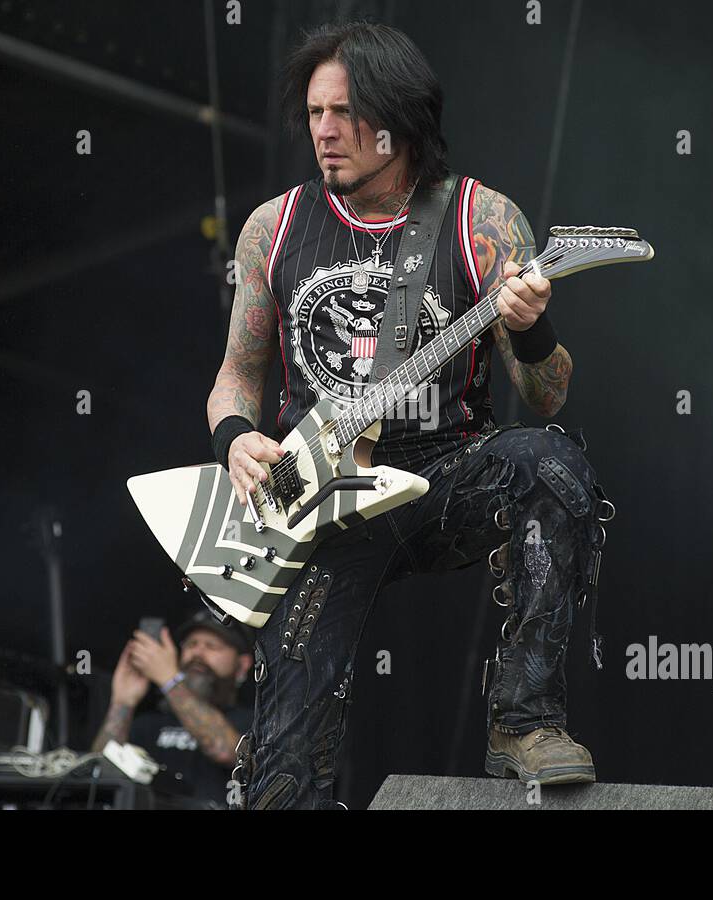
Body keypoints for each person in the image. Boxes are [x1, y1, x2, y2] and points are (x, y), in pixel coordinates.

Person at [205, 21, 612, 810]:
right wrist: (234, 439)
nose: (323, 131)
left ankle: (524, 720)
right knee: (282, 779)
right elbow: (234, 376)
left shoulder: (481, 222)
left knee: (552, 462)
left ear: (398, 120)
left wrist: (531, 327)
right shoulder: (273, 227)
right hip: (316, 504)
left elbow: (549, 396)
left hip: (444, 478)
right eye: (315, 112)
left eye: (345, 113)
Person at [91, 610, 253, 808]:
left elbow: (224, 750)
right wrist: (122, 701)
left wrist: (169, 680)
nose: (197, 653)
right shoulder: (148, 724)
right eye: (191, 644)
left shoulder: (255, 722)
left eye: (212, 646)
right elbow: (98, 776)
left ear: (242, 665)